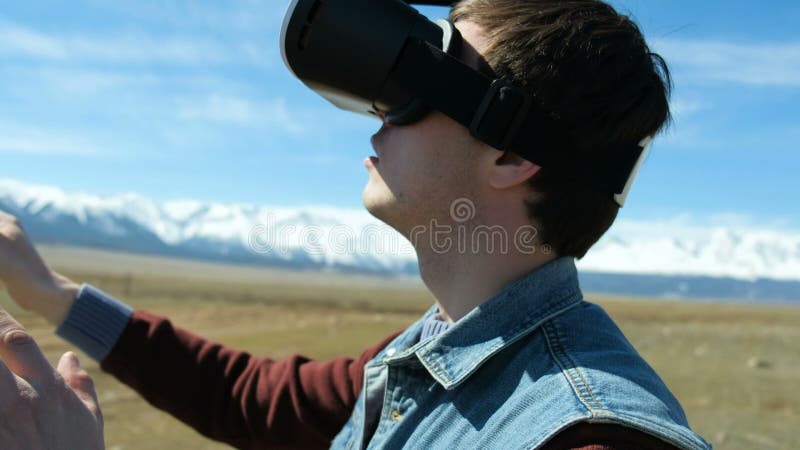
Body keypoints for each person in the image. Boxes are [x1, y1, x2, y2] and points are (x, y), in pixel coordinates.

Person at [0, 0, 712, 449]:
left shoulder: (587, 433)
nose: (379, 111)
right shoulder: (423, 359)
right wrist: (53, 296)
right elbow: (244, 399)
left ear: (513, 153)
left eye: (419, 83)